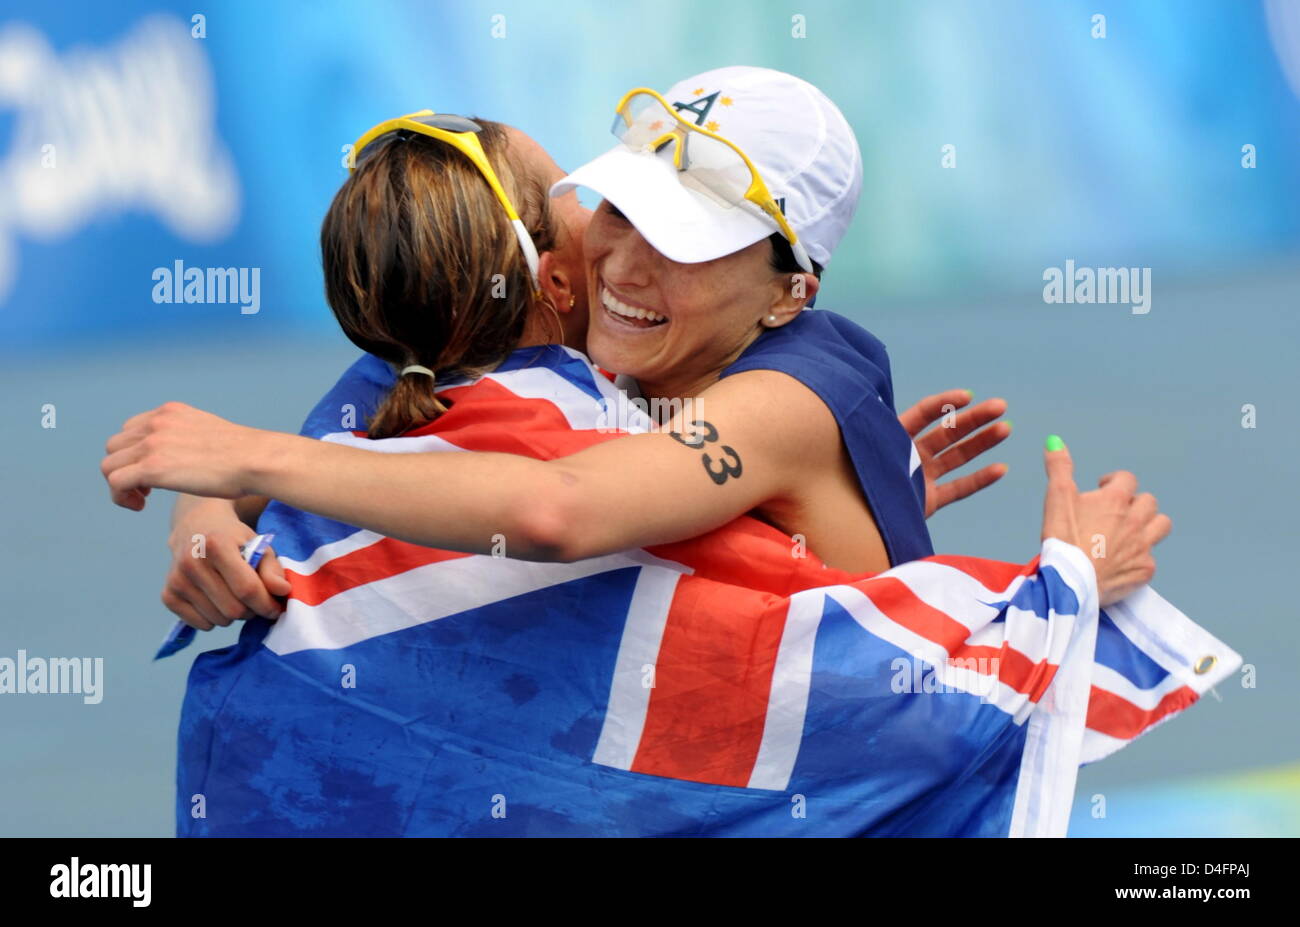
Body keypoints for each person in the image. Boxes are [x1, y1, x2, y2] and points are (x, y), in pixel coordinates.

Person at [100, 73, 1236, 835]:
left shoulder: (784, 401)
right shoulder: (569, 392)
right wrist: (210, 515)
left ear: (793, 287)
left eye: (687, 243)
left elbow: (556, 511)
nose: (630, 266)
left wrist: (1068, 585)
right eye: (620, 213)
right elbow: (367, 422)